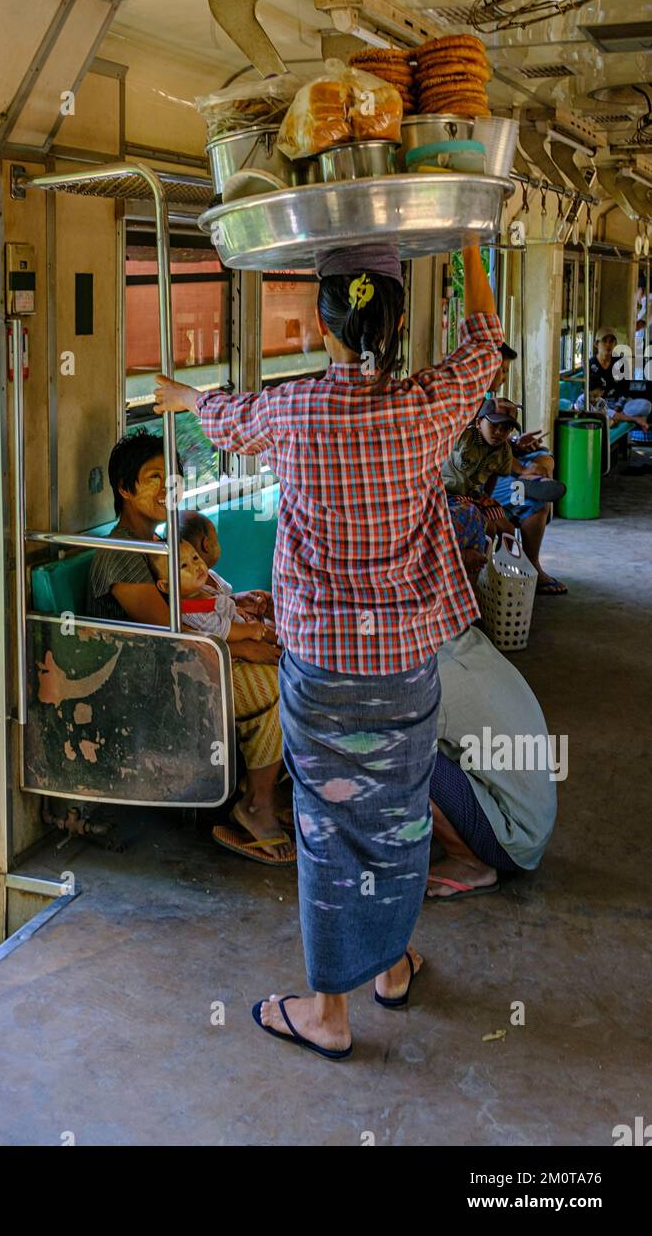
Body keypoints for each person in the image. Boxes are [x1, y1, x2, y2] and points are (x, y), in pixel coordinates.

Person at [153, 240, 502, 1061]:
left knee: (328, 828)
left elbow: (219, 413)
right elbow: (487, 339)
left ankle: (327, 1011)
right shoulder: (428, 405)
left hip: (321, 664)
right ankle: (392, 965)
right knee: (399, 813)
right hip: (406, 663)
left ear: (322, 324)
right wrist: (470, 247)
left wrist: (176, 393)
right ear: (399, 319)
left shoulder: (293, 408)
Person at [86, 430, 292, 861]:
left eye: (174, 476)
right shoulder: (120, 554)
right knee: (272, 685)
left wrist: (235, 602)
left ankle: (262, 791)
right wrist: (239, 649)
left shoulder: (160, 543)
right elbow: (171, 634)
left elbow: (190, 605)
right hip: (149, 673)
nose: (169, 487)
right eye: (154, 477)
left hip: (185, 659)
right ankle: (254, 806)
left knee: (289, 664)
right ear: (125, 488)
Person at [426, 625, 558, 901]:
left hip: (513, 841)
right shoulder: (459, 639)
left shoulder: (434, 676)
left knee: (398, 754)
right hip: (531, 822)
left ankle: (471, 864)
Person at [442, 397, 568, 595]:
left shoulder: (503, 450)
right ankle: (477, 582)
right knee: (489, 527)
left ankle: (512, 571)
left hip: (476, 494)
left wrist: (488, 501)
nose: (500, 432)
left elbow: (492, 477)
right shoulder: (464, 437)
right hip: (449, 493)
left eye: (506, 428)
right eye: (494, 426)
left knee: (508, 529)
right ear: (478, 422)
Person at [179, 509, 274, 621]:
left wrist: (237, 599)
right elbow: (211, 612)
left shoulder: (210, 576)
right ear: (206, 545)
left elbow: (219, 604)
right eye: (216, 538)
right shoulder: (192, 594)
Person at [588, 326, 652, 427]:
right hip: (601, 406)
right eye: (604, 341)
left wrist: (618, 407)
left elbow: (625, 389)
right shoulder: (590, 365)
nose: (608, 345)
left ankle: (618, 417)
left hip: (621, 405)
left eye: (611, 341)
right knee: (598, 410)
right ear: (596, 344)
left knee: (646, 405)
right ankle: (619, 418)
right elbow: (591, 394)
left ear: (615, 344)